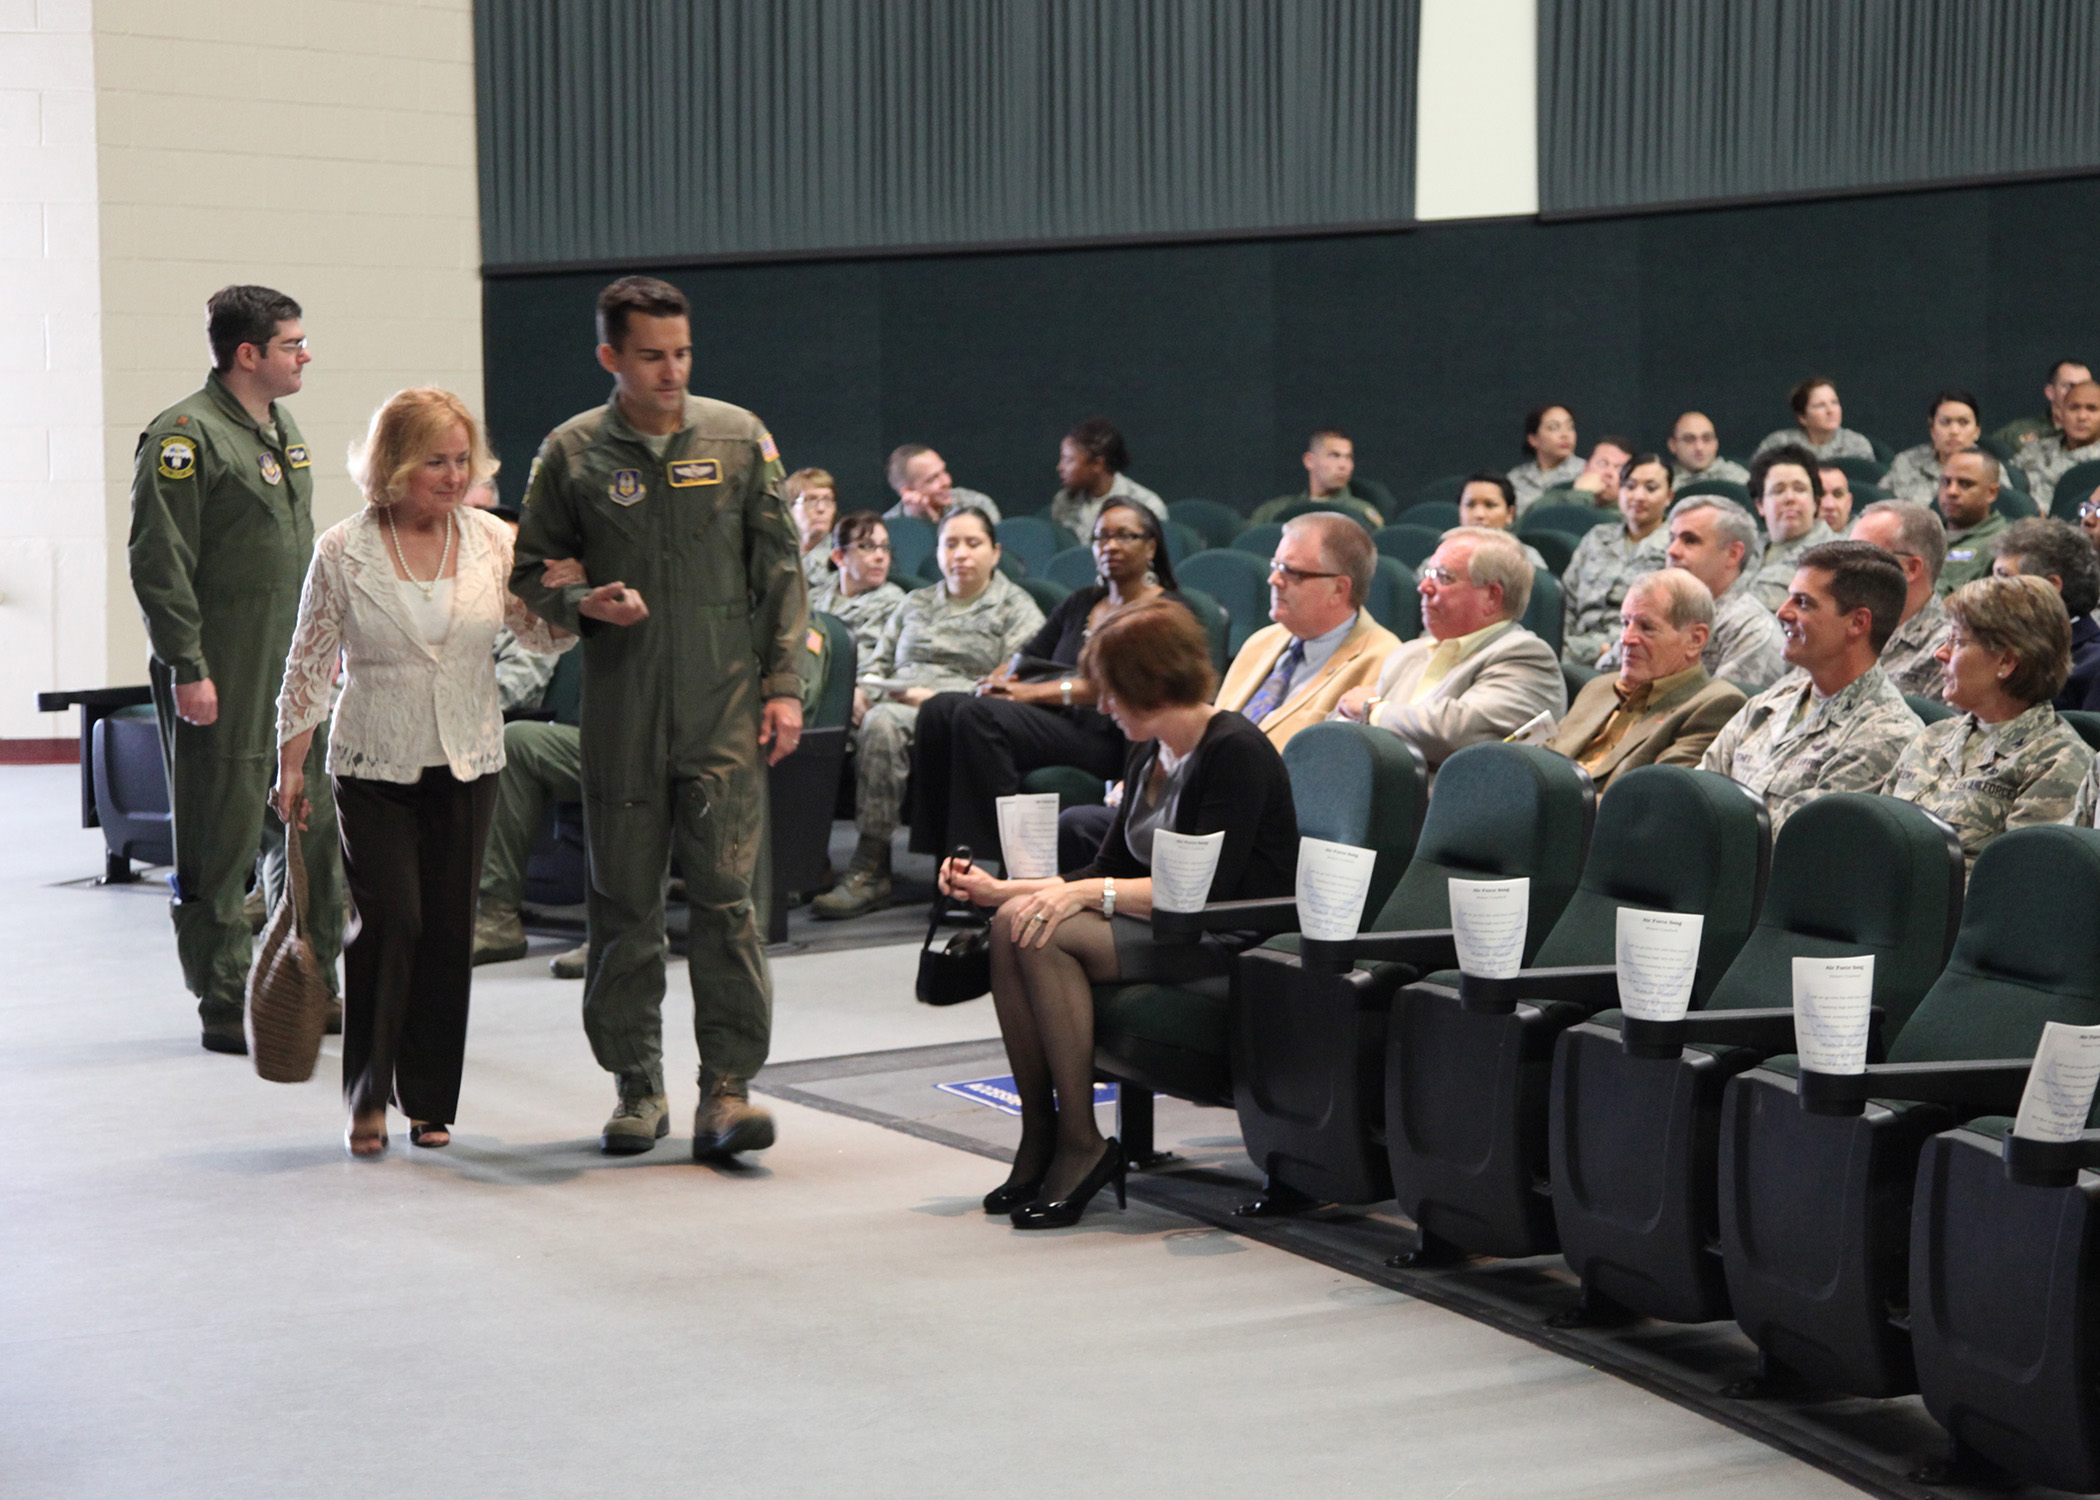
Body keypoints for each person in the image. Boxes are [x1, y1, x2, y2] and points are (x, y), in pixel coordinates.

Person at [511, 274, 806, 1162]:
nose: (671, 371)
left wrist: (785, 685)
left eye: (681, 353)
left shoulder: (739, 437)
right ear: (610, 356)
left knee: (729, 905)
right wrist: (584, 603)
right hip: (624, 711)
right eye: (650, 356)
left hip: (722, 709)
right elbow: (531, 570)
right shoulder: (571, 453)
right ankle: (637, 1087)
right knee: (623, 907)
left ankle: (728, 1090)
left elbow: (781, 571)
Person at [275, 387, 574, 1157]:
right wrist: (291, 766)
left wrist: (569, 595)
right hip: (372, 759)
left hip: (468, 758)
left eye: (461, 460)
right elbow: (308, 662)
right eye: (435, 461)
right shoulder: (342, 549)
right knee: (389, 922)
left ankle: (429, 1100)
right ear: (394, 466)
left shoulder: (493, 540)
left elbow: (540, 638)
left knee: (445, 931)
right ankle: (367, 1093)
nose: (453, 475)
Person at [937, 601, 1297, 1228]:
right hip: (1167, 925)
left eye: (1112, 692)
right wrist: (1000, 890)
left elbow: (1199, 889)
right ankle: (1042, 1132)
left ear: (1152, 685)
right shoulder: (1148, 751)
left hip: (1228, 935)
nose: (1101, 707)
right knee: (1011, 922)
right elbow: (1102, 868)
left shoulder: (1234, 750)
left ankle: (1081, 1143)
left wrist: (1085, 896)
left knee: (1043, 935)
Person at [127, 284, 346, 1055]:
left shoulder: (281, 429)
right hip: (224, 666)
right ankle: (224, 996)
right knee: (218, 837)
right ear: (247, 354)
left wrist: (325, 645)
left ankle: (307, 980)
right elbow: (159, 563)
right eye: (292, 344)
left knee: (311, 826)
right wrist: (187, 665)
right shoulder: (185, 437)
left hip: (293, 671)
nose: (305, 355)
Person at [905, 501, 1182, 874]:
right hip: (1055, 722)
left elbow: (1125, 687)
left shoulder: (1164, 611)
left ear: (1150, 547)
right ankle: (948, 862)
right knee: (940, 708)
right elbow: (1026, 658)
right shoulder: (1081, 602)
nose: (1110, 546)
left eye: (1124, 536)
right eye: (1101, 537)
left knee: (978, 716)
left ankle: (996, 868)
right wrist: (998, 680)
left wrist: (1031, 693)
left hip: (1109, 734)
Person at [813, 507, 1044, 918]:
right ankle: (806, 863)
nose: (960, 554)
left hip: (961, 716)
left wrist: (934, 697)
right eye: (950, 544)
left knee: (882, 723)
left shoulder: (1015, 608)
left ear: (995, 552)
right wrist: (862, 691)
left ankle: (870, 867)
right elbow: (878, 664)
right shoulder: (915, 602)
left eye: (972, 543)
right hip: (894, 701)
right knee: (824, 720)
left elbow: (1014, 686)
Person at [1701, 541, 1922, 829]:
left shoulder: (1887, 735)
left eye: (1803, 602)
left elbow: (1794, 840)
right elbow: (1698, 794)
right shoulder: (1769, 704)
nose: (1782, 612)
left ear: (1857, 622)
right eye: (1788, 598)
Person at [1880, 575, 2089, 870]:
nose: (1940, 653)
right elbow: (1877, 835)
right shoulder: (1932, 737)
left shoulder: (2057, 761)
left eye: (1956, 641)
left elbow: (2016, 883)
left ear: (2006, 661)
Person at [1334, 528, 1566, 772]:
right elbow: (1343, 718)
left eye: (1442, 577)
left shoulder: (1524, 655)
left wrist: (1373, 709)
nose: (1423, 587)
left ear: (1492, 596)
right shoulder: (1410, 652)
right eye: (1428, 574)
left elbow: (1455, 731)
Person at [1546, 570, 1746, 789]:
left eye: (1646, 627)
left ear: (1695, 640)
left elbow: (1649, 798)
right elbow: (1544, 757)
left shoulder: (1715, 706)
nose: (1626, 639)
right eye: (1625, 623)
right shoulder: (1599, 687)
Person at [1215, 512, 1403, 745]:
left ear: (1338, 589)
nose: (1274, 579)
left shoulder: (1383, 660)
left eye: (1291, 572)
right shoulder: (1260, 642)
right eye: (1275, 566)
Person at [1601, 497, 1785, 693]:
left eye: (1690, 541)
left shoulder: (1752, 630)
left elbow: (1720, 706)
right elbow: (1603, 681)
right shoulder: (1655, 609)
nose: (1672, 551)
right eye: (1672, 539)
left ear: (1733, 554)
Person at [1559, 451, 1672, 665]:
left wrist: (1604, 649)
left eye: (1651, 488)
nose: (1638, 496)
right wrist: (1559, 643)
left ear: (1669, 496)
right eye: (1630, 486)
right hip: (1573, 647)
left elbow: (1664, 622)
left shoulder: (1676, 546)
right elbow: (1566, 600)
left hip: (1631, 653)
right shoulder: (1597, 537)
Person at [1990, 517, 2100, 711]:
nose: (1990, 589)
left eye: (2004, 577)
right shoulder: (1997, 644)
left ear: (2049, 586)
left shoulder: (2094, 665)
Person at [1849, 499, 1954, 696]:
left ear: (1910, 568)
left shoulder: (1947, 651)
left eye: (1862, 556)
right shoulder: (1842, 627)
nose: (1845, 569)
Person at [1747, 443, 1838, 609]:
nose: (1790, 498)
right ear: (1760, 505)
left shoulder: (1836, 556)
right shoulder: (1743, 551)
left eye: (1799, 489)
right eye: (1778, 490)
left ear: (1816, 502)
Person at [809, 510, 908, 663]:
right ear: (839, 556)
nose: (880, 556)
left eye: (885, 547)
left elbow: (866, 660)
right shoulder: (813, 598)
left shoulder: (895, 603)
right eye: (867, 546)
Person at [1047, 417, 1165, 536]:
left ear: (1097, 464)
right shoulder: (1063, 502)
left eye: (1068, 460)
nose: (1060, 467)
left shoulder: (1147, 506)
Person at [1249, 428, 1382, 529]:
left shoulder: (1360, 514)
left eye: (1348, 457)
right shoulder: (1273, 511)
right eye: (1334, 456)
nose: (1343, 465)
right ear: (1309, 461)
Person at [1882, 390, 1983, 506]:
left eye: (1963, 422)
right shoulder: (1906, 462)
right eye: (1945, 422)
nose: (1954, 431)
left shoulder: (1990, 470)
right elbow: (1878, 505)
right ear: (1932, 430)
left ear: (1977, 431)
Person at [2012, 378, 2100, 510]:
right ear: (2061, 414)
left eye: (2091, 409)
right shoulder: (2036, 449)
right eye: (2074, 408)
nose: (2082, 416)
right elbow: (2007, 479)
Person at [1934, 448, 2011, 595]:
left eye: (1965, 484)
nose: (1951, 491)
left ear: (1991, 493)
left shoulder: (2006, 544)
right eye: (1946, 482)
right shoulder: (1923, 537)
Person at [1754, 376, 1877, 461]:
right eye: (1820, 406)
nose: (1830, 410)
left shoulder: (1856, 445)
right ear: (1802, 417)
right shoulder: (1779, 444)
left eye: (1834, 403)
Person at [1993, 358, 2092, 455]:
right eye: (2069, 387)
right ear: (2050, 392)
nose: (2077, 393)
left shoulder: (2095, 435)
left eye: (2085, 387)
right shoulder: (2016, 433)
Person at [883, 444, 1002, 525]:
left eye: (944, 471)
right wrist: (925, 522)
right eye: (932, 479)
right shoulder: (889, 528)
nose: (947, 482)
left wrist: (936, 521)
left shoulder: (978, 505)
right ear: (908, 492)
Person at [1456, 472, 1549, 567]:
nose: (1479, 514)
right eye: (1470, 505)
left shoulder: (1526, 557)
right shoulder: (1447, 553)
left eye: (1490, 505)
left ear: (1509, 513)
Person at [1508, 403, 1585, 513]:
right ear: (1533, 439)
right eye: (1554, 428)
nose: (1565, 434)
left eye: (1570, 427)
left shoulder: (1585, 473)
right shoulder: (1516, 479)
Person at [786, 467, 838, 593]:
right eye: (811, 499)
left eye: (827, 499)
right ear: (790, 507)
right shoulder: (775, 555)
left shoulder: (843, 558)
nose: (821, 508)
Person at [1666, 411, 1750, 486]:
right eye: (1689, 439)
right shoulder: (1664, 482)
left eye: (1707, 438)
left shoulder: (1738, 479)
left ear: (1716, 443)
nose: (1699, 447)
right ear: (1672, 445)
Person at [1570, 434, 1636, 502]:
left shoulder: (1632, 507)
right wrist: (1581, 494)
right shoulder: (1563, 496)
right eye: (1603, 464)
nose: (1609, 473)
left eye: (1620, 469)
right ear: (1586, 468)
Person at [1817, 463, 1858, 533]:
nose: (1830, 505)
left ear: (1849, 502)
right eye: (1820, 494)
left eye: (1838, 494)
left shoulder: (1869, 537)